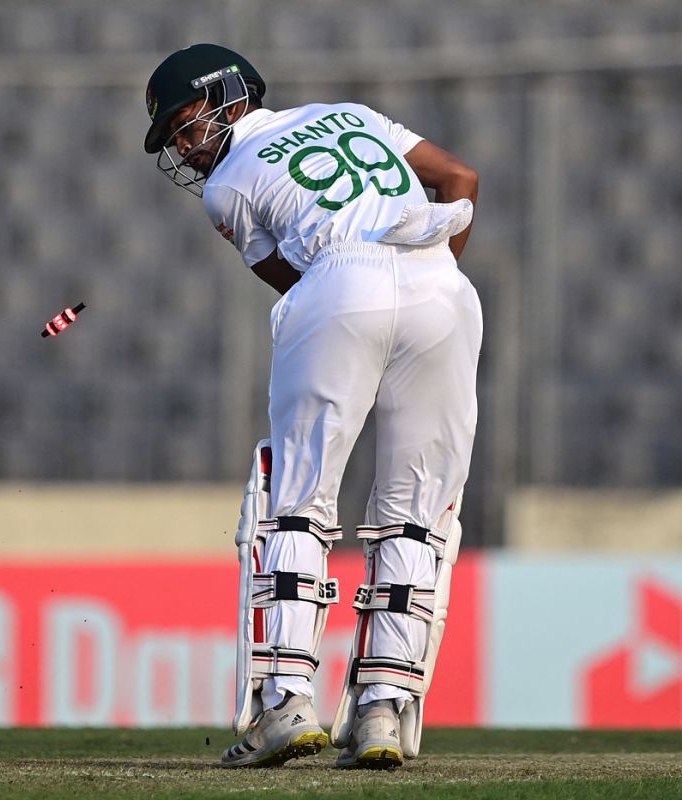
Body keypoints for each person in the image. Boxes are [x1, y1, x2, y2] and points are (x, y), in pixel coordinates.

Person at [143, 44, 482, 770]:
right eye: (172, 136)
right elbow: (459, 180)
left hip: (339, 279)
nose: (180, 144)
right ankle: (382, 712)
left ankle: (287, 701)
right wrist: (425, 291)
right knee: (417, 510)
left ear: (231, 94)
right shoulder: (348, 113)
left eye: (184, 121)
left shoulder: (225, 185)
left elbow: (294, 283)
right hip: (443, 281)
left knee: (298, 501)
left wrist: (368, 308)